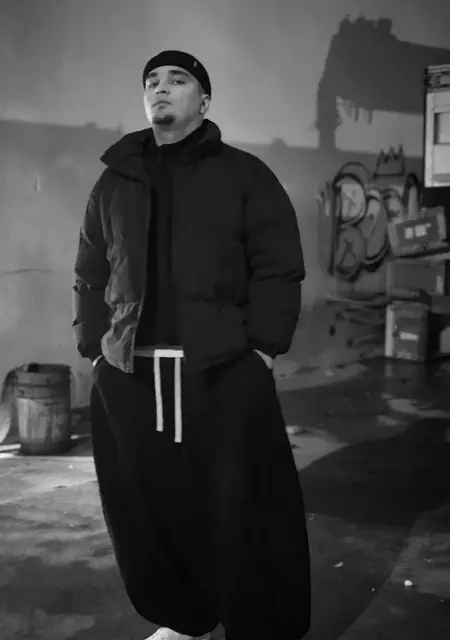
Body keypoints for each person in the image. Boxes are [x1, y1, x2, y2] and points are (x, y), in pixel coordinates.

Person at [72, 50, 310, 640]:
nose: (161, 88)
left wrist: (262, 350)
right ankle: (182, 619)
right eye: (152, 81)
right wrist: (96, 351)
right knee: (150, 511)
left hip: (219, 371)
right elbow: (91, 271)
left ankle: (257, 625)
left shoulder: (244, 175)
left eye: (177, 80)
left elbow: (278, 266)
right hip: (133, 375)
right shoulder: (114, 180)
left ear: (204, 100)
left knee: (241, 507)